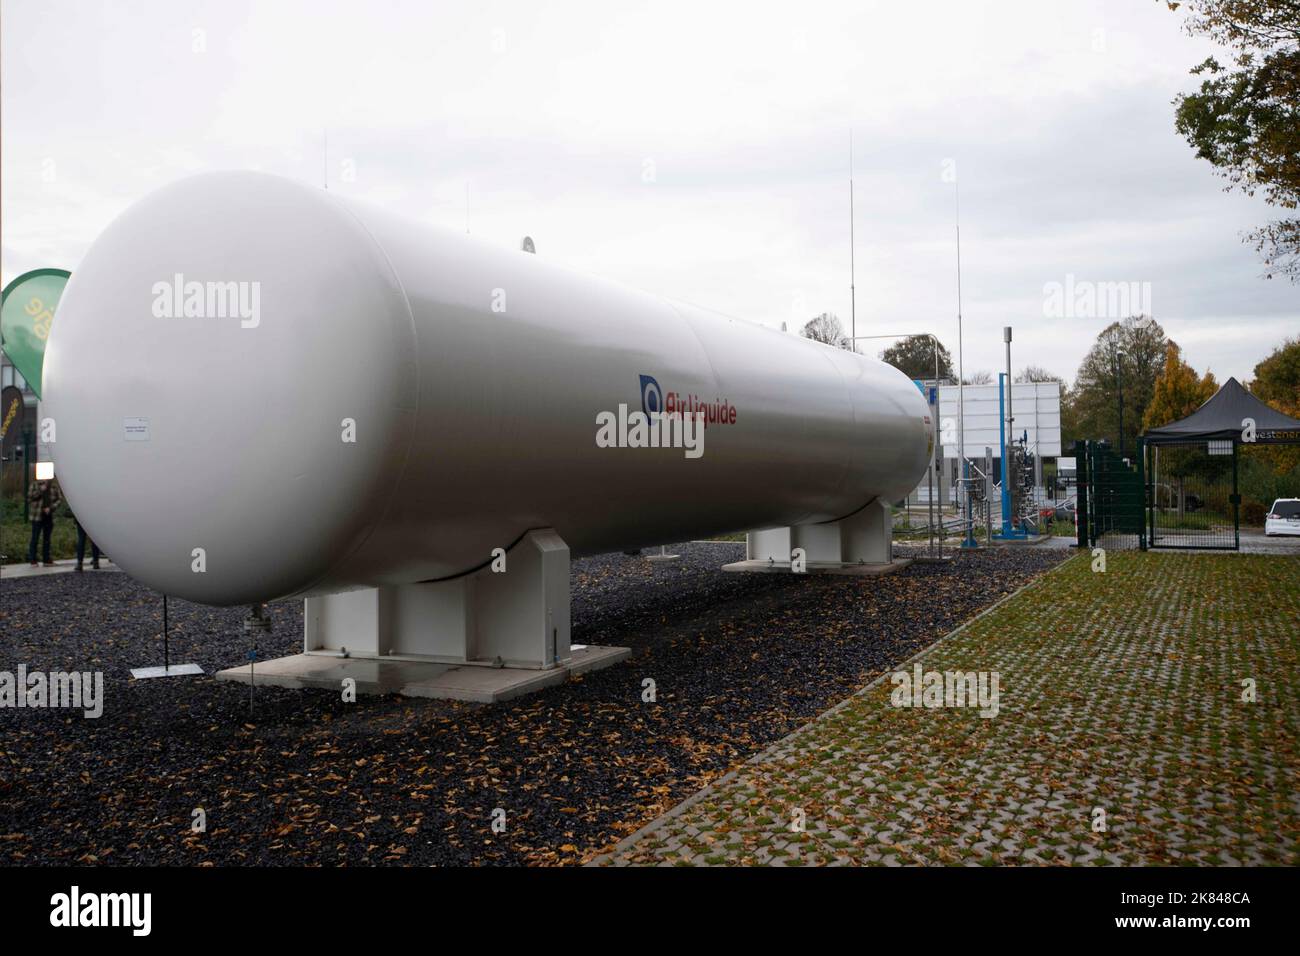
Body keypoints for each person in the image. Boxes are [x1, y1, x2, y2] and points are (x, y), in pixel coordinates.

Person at [27, 472, 61, 566]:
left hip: (48, 515)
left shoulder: (54, 486)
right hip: (37, 516)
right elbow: (29, 498)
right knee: (35, 537)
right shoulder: (35, 485)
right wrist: (40, 491)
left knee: (47, 538)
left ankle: (46, 559)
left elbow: (59, 499)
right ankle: (33, 559)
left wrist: (51, 508)